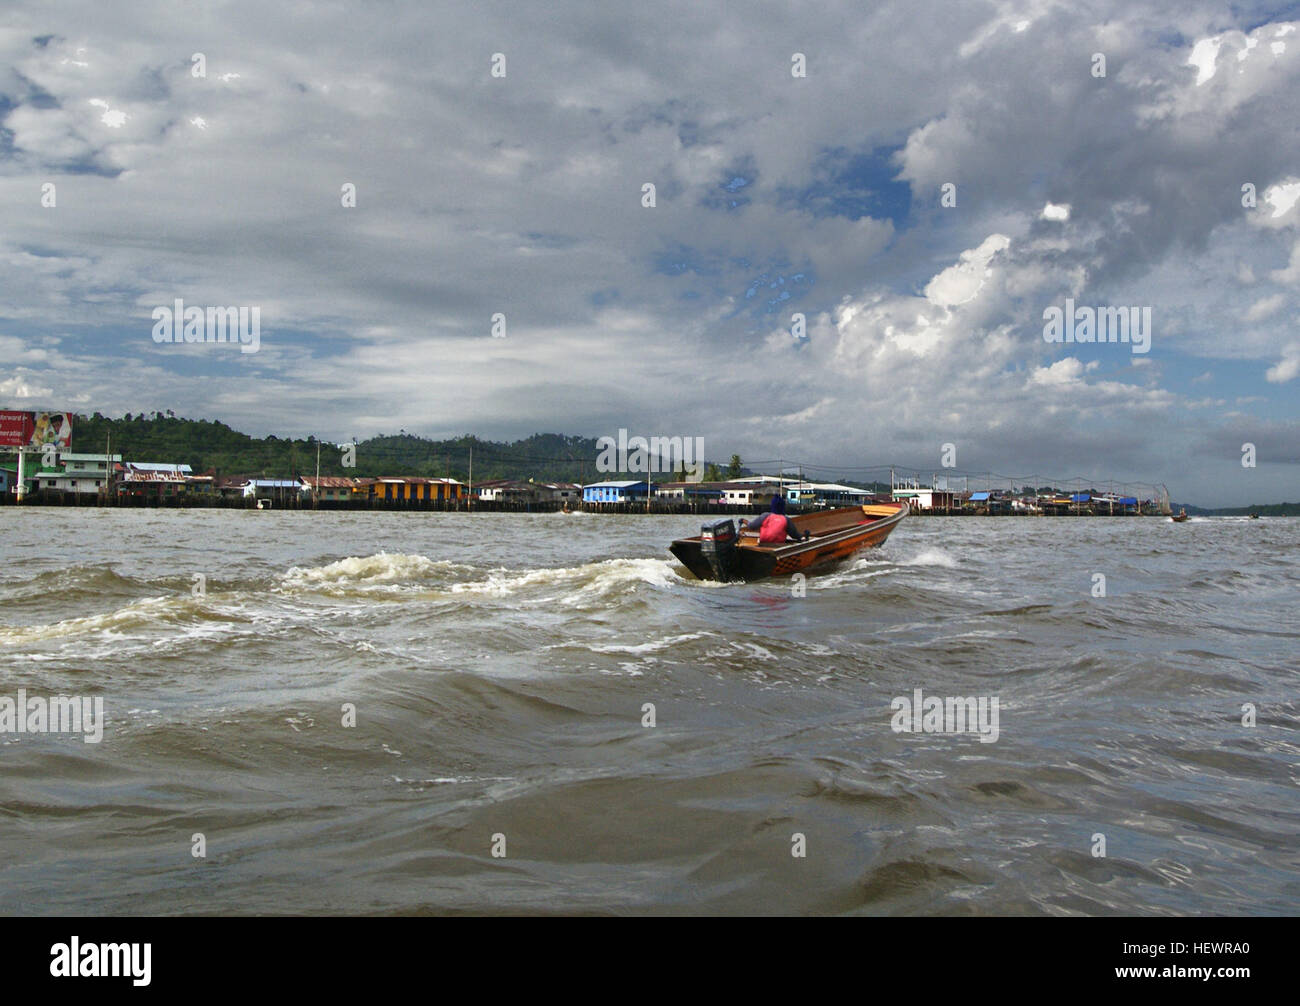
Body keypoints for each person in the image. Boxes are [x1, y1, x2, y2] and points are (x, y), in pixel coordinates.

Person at [741, 491, 806, 541]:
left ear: (772, 506)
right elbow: (795, 536)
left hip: (764, 544)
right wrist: (805, 535)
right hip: (779, 546)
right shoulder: (786, 519)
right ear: (783, 507)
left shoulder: (765, 516)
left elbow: (751, 526)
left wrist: (743, 521)